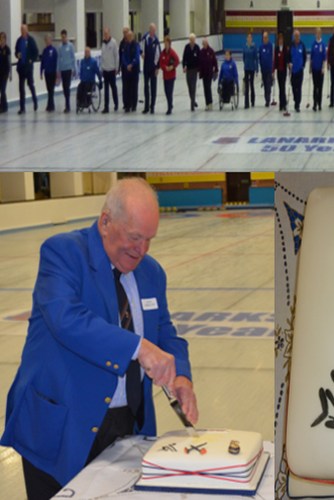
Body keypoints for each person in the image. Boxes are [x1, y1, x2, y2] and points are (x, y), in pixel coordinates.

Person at [0, 178, 198, 500]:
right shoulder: (62, 253)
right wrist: (139, 348)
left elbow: (165, 332)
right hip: (62, 429)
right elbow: (67, 319)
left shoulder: (152, 273)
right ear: (105, 221)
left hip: (127, 429)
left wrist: (183, 378)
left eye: (149, 239)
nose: (142, 250)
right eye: (134, 237)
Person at [15, 25, 40, 115]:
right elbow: (16, 51)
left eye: (24, 29)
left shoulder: (31, 40)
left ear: (27, 30)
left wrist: (31, 60)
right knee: (21, 88)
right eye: (21, 29)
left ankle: (35, 101)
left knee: (30, 85)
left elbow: (36, 52)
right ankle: (22, 108)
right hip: (21, 67)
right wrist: (17, 54)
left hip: (28, 68)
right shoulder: (19, 40)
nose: (22, 31)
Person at [120, 29, 141, 113]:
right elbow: (123, 57)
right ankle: (127, 105)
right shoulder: (125, 45)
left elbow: (137, 57)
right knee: (127, 88)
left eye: (130, 35)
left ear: (133, 36)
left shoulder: (136, 45)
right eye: (128, 36)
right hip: (127, 70)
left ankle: (134, 105)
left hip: (134, 69)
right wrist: (126, 65)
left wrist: (131, 64)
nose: (129, 37)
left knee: (134, 87)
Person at [141, 24, 161, 114]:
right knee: (146, 87)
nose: (154, 33)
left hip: (153, 68)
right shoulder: (145, 38)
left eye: (155, 31)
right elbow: (140, 47)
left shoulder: (156, 41)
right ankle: (146, 106)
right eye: (153, 31)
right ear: (150, 30)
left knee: (153, 88)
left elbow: (158, 55)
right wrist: (141, 53)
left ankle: (152, 106)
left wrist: (157, 67)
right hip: (146, 67)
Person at [77, 46, 102, 111]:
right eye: (85, 52)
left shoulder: (93, 62)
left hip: (90, 81)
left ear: (90, 53)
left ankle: (86, 102)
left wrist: (100, 80)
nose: (86, 53)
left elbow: (97, 72)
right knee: (79, 88)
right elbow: (81, 71)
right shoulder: (82, 61)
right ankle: (80, 102)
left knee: (86, 87)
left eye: (88, 52)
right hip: (83, 80)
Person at [158, 36, 179, 115]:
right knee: (166, 92)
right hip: (165, 75)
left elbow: (177, 60)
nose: (165, 45)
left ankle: (169, 107)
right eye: (165, 43)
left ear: (169, 44)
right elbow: (161, 63)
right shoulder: (162, 53)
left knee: (169, 92)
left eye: (167, 43)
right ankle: (170, 104)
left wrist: (172, 67)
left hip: (171, 76)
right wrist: (164, 67)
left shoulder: (172, 52)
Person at [100, 28, 119, 113]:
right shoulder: (103, 44)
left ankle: (116, 103)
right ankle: (106, 107)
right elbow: (102, 57)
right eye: (104, 34)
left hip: (112, 70)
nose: (105, 35)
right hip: (105, 70)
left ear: (109, 33)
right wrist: (102, 69)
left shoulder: (114, 43)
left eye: (106, 33)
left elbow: (117, 56)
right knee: (106, 89)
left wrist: (116, 68)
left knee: (113, 87)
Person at [58, 31, 77, 112]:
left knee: (67, 86)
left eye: (64, 37)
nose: (63, 39)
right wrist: (57, 70)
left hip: (68, 68)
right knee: (64, 87)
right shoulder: (60, 47)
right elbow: (58, 59)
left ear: (66, 37)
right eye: (62, 37)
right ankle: (66, 103)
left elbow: (73, 57)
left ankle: (68, 105)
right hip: (63, 69)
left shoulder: (70, 46)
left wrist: (74, 69)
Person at [289, 29, 306, 112]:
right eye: (295, 36)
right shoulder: (291, 45)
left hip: (300, 70)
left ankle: (297, 104)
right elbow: (288, 57)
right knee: (293, 86)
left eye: (298, 36)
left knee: (299, 87)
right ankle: (295, 99)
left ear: (299, 36)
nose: (296, 37)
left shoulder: (302, 45)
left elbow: (305, 56)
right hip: (293, 70)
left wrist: (303, 66)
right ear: (293, 36)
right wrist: (289, 63)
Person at [40, 35, 58, 112]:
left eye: (48, 40)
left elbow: (56, 62)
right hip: (46, 73)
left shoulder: (54, 50)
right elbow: (42, 62)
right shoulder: (44, 51)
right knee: (48, 89)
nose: (47, 42)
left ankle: (50, 105)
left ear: (50, 41)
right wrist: (41, 72)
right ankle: (51, 105)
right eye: (46, 40)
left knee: (51, 89)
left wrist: (57, 73)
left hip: (53, 72)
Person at [182, 34, 201, 111]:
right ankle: (193, 101)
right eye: (191, 40)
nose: (192, 41)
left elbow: (199, 59)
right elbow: (184, 58)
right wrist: (184, 66)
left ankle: (192, 105)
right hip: (188, 69)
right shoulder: (186, 47)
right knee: (189, 86)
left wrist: (199, 69)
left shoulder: (197, 48)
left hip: (195, 69)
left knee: (193, 86)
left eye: (193, 40)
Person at [310, 28, 326, 111]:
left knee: (320, 87)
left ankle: (319, 103)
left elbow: (324, 57)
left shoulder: (322, 45)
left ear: (321, 34)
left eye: (319, 33)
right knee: (315, 87)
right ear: (315, 34)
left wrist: (323, 67)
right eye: (317, 33)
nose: (318, 34)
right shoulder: (313, 44)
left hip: (320, 70)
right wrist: (310, 67)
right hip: (314, 69)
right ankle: (314, 103)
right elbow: (311, 56)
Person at [198, 38, 217, 111]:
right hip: (203, 73)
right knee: (205, 88)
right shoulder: (201, 52)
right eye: (203, 43)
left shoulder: (211, 51)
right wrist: (199, 70)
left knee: (208, 87)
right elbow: (199, 62)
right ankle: (207, 103)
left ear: (207, 43)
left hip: (209, 72)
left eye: (205, 43)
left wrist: (216, 70)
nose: (204, 44)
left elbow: (214, 61)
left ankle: (210, 103)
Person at [274, 32, 290, 111]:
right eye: (279, 39)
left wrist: (289, 67)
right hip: (279, 71)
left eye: (281, 39)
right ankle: (282, 103)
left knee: (283, 87)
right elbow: (274, 60)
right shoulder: (276, 49)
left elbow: (287, 59)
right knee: (280, 88)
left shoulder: (285, 49)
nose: (281, 40)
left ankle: (283, 104)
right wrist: (273, 71)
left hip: (284, 70)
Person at [242, 33, 259, 109]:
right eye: (248, 37)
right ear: (246, 38)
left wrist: (257, 70)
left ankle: (252, 101)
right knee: (246, 85)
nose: (249, 38)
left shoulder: (254, 47)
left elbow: (256, 59)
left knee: (251, 84)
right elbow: (243, 57)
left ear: (251, 38)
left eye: (250, 37)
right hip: (246, 68)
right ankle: (246, 103)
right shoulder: (245, 47)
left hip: (252, 68)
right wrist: (245, 63)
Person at [259, 32, 275, 108]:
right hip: (263, 69)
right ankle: (266, 98)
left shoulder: (270, 46)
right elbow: (260, 58)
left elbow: (272, 57)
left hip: (269, 69)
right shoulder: (261, 47)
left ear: (268, 38)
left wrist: (272, 70)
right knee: (265, 85)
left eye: (266, 37)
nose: (265, 39)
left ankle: (268, 99)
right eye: (263, 38)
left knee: (268, 84)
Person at [0, 32, 10, 114]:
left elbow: (9, 62)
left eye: (3, 37)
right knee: (1, 90)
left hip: (5, 72)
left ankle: (4, 106)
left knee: (3, 89)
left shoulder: (7, 49)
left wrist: (10, 73)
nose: (2, 39)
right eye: (1, 38)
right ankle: (3, 105)